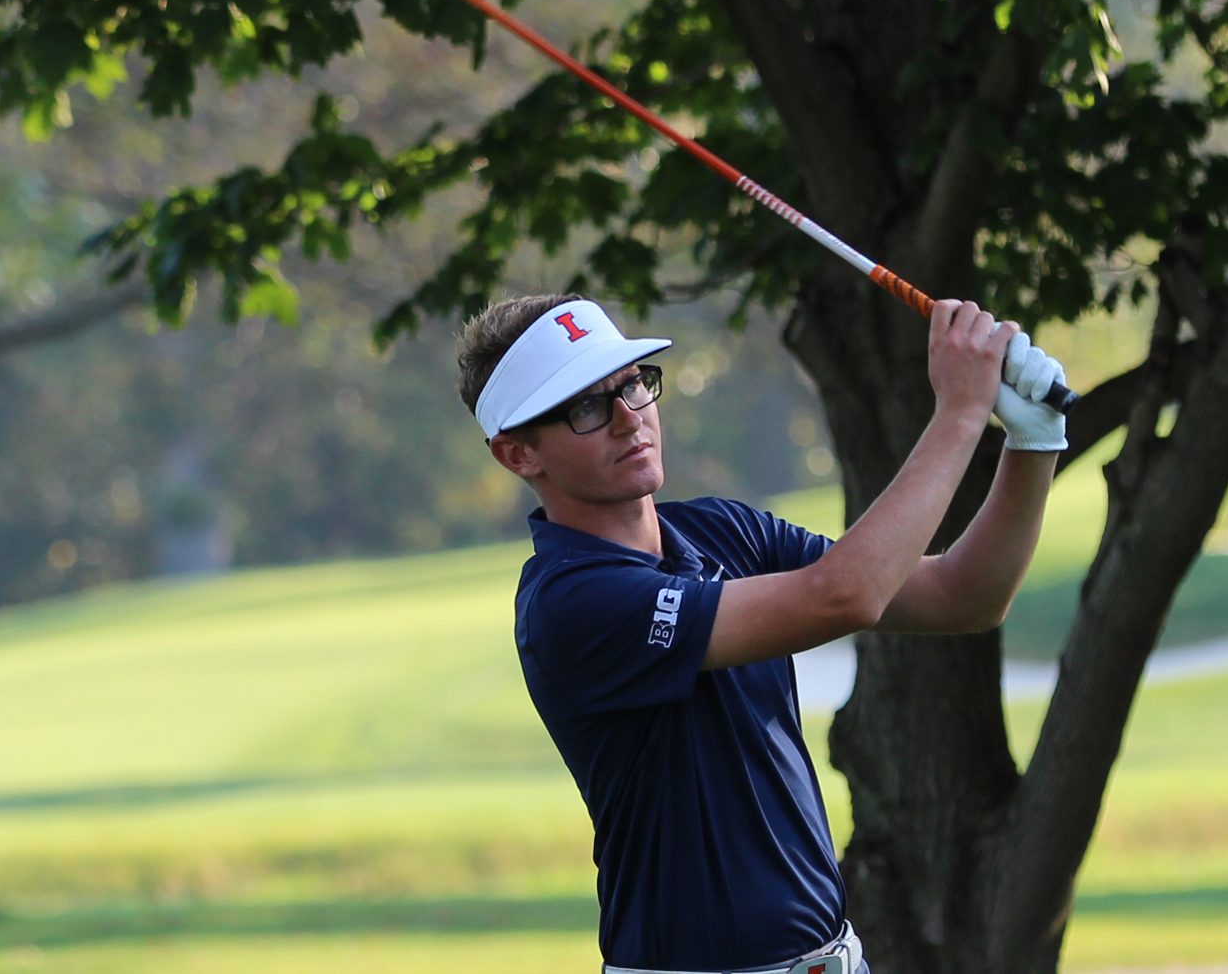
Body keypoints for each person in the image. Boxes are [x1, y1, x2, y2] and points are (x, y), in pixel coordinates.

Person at [455, 294, 1066, 974]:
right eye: (586, 408)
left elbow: (962, 596)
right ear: (517, 454)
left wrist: (1031, 444)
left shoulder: (723, 531)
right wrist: (959, 414)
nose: (630, 419)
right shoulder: (571, 602)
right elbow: (846, 595)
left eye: (631, 384)